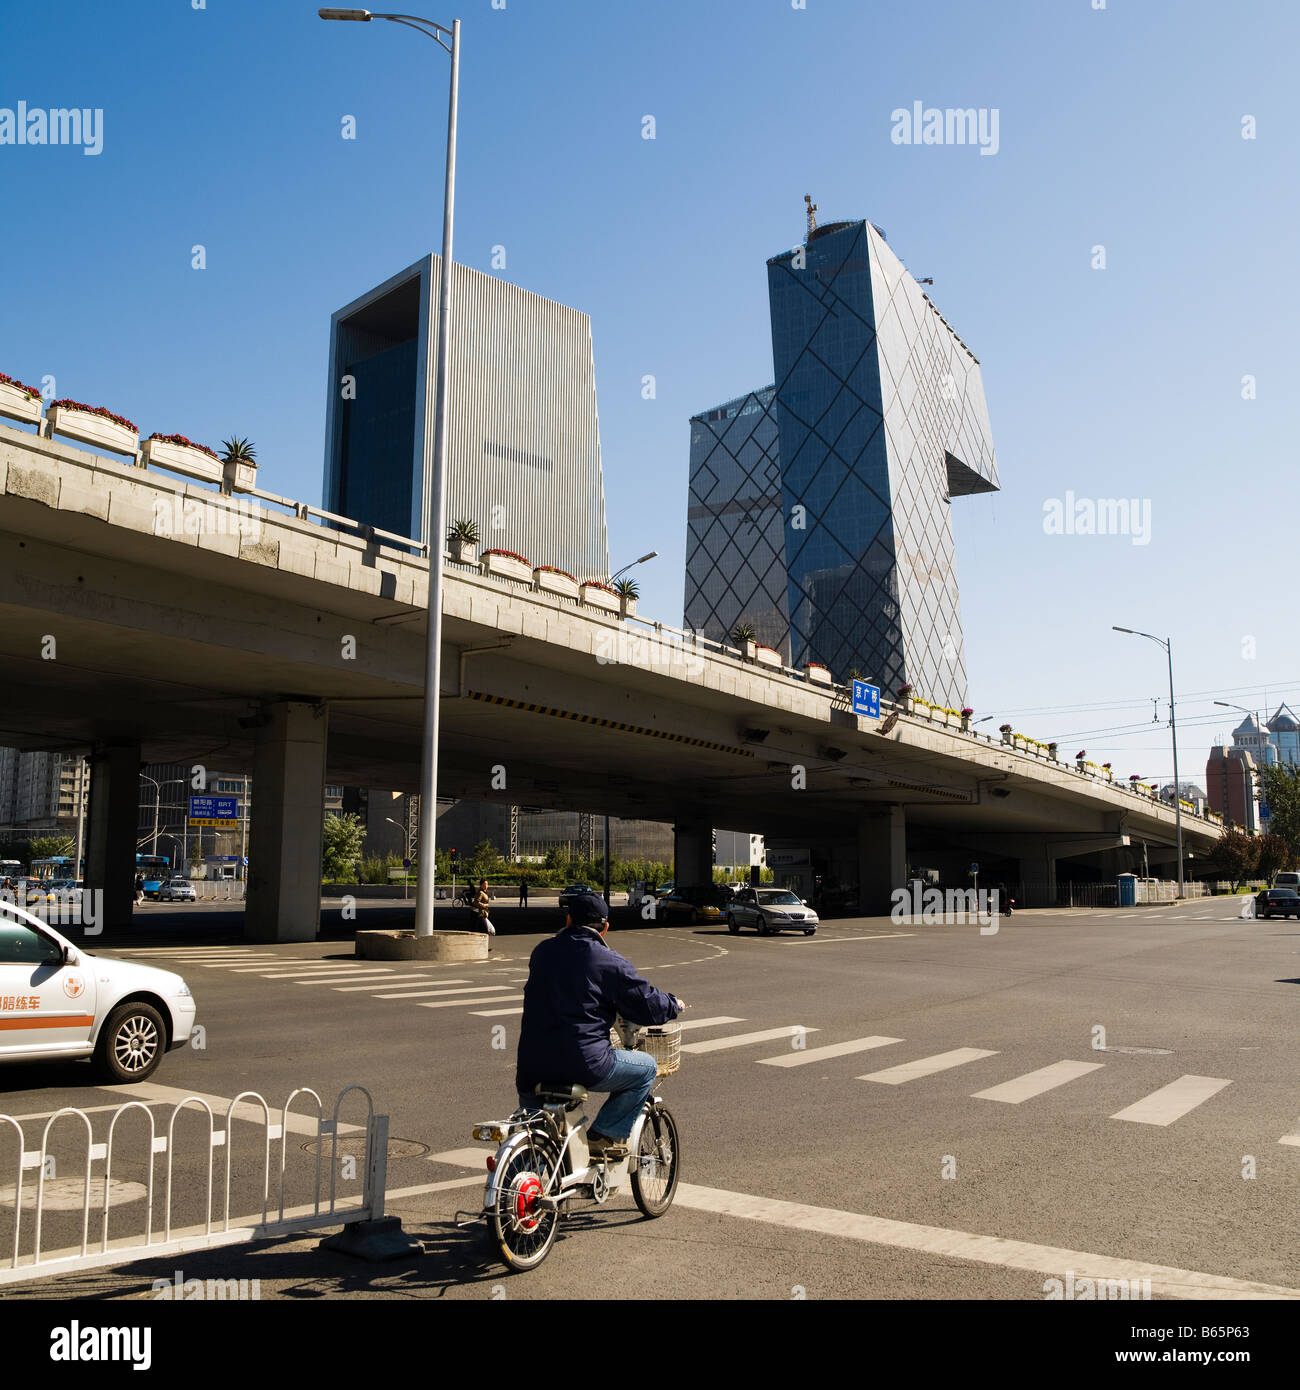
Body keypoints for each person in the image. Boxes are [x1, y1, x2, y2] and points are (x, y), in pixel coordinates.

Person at [515, 890, 685, 1158]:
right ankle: (603, 1135)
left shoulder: (542, 952)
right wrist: (673, 1005)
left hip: (531, 1065)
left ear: (568, 920)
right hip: (583, 1063)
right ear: (605, 928)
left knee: (532, 1139)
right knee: (647, 1069)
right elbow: (645, 1002)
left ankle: (516, 1176)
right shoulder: (608, 960)